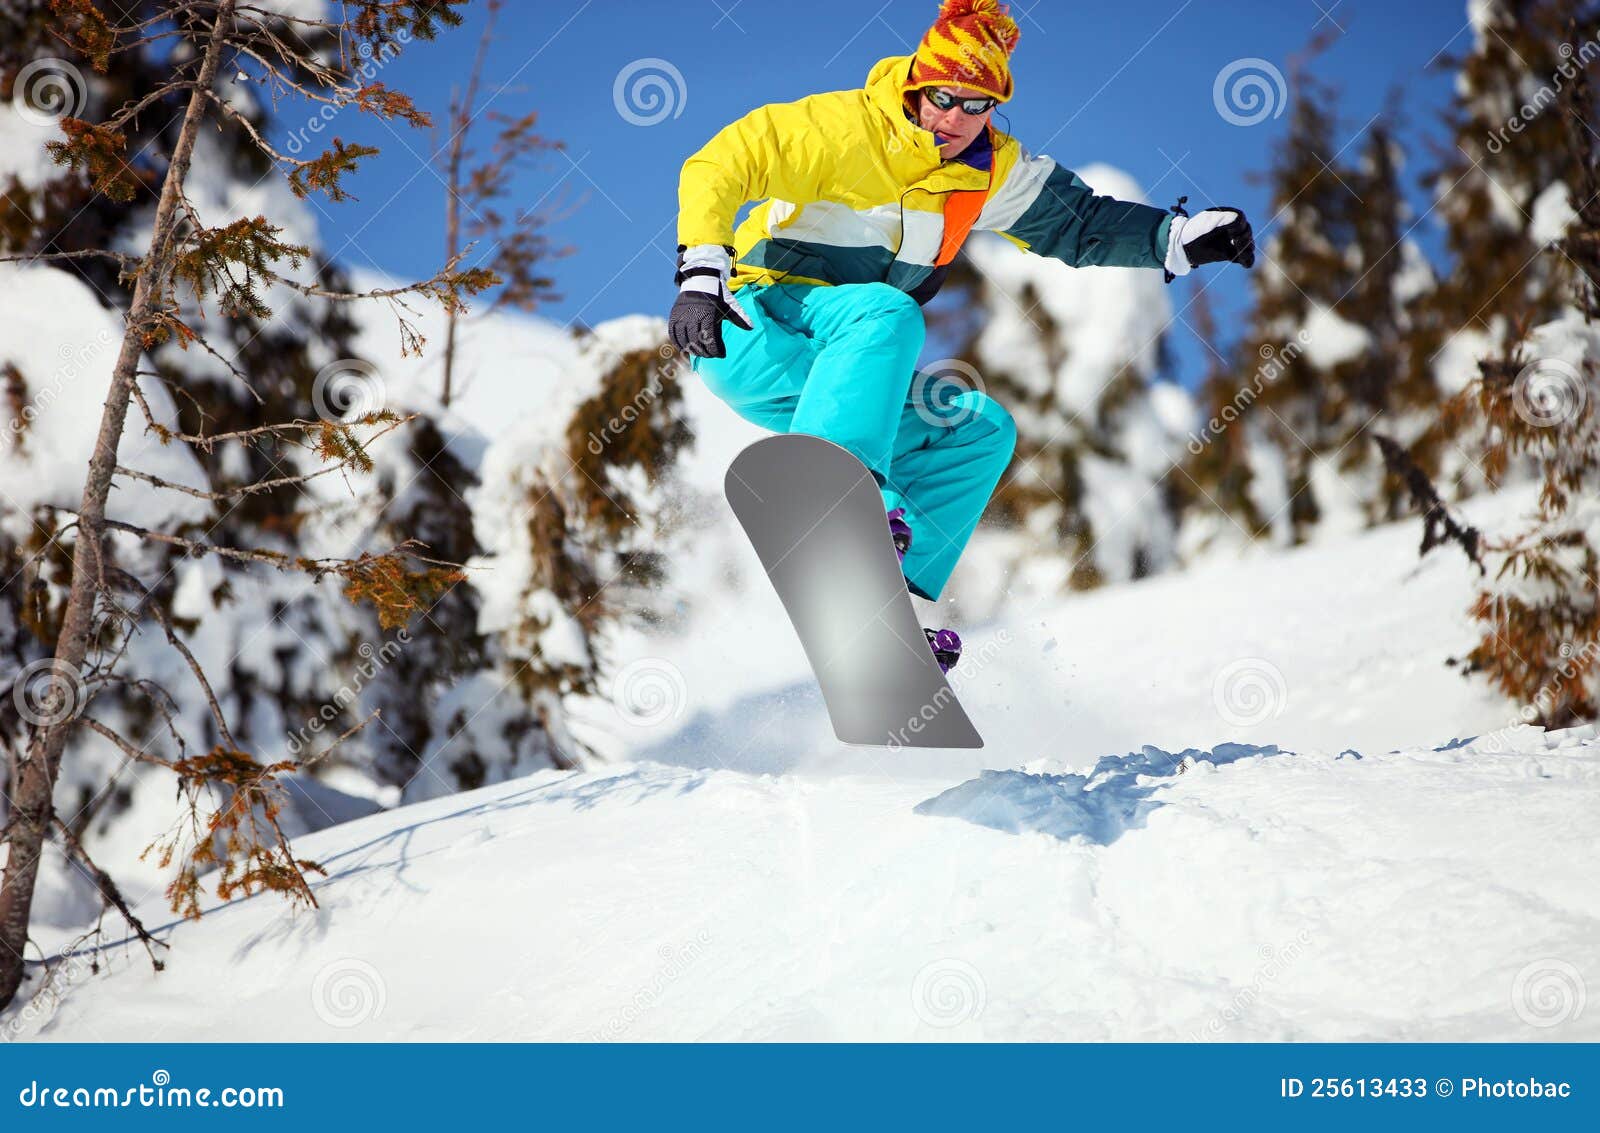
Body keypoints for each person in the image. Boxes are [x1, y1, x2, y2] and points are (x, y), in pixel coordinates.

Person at [669, 0, 1255, 672]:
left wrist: (1173, 238)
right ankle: (841, 503)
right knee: (888, 314)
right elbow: (720, 163)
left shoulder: (985, 174)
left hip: (837, 383)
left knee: (978, 429)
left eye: (975, 105)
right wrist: (701, 274)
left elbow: (1077, 221)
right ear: (918, 83)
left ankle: (885, 606)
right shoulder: (842, 129)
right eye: (943, 97)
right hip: (752, 327)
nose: (953, 119)